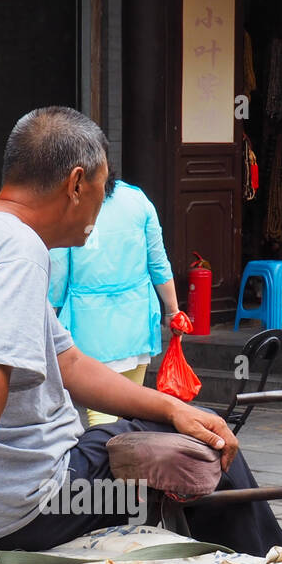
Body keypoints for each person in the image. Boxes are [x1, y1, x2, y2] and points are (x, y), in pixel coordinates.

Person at [0, 105, 282, 559]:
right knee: (208, 448)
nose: (100, 207)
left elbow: (71, 364)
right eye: (103, 190)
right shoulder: (20, 250)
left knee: (182, 421)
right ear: (76, 184)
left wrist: (174, 406)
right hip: (39, 508)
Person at [48, 179, 182, 426]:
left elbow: (57, 272)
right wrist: (172, 310)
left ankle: (109, 462)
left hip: (89, 321)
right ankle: (128, 461)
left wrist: (49, 314)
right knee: (131, 404)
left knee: (100, 410)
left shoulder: (71, 202)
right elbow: (158, 263)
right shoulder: (138, 199)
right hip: (137, 317)